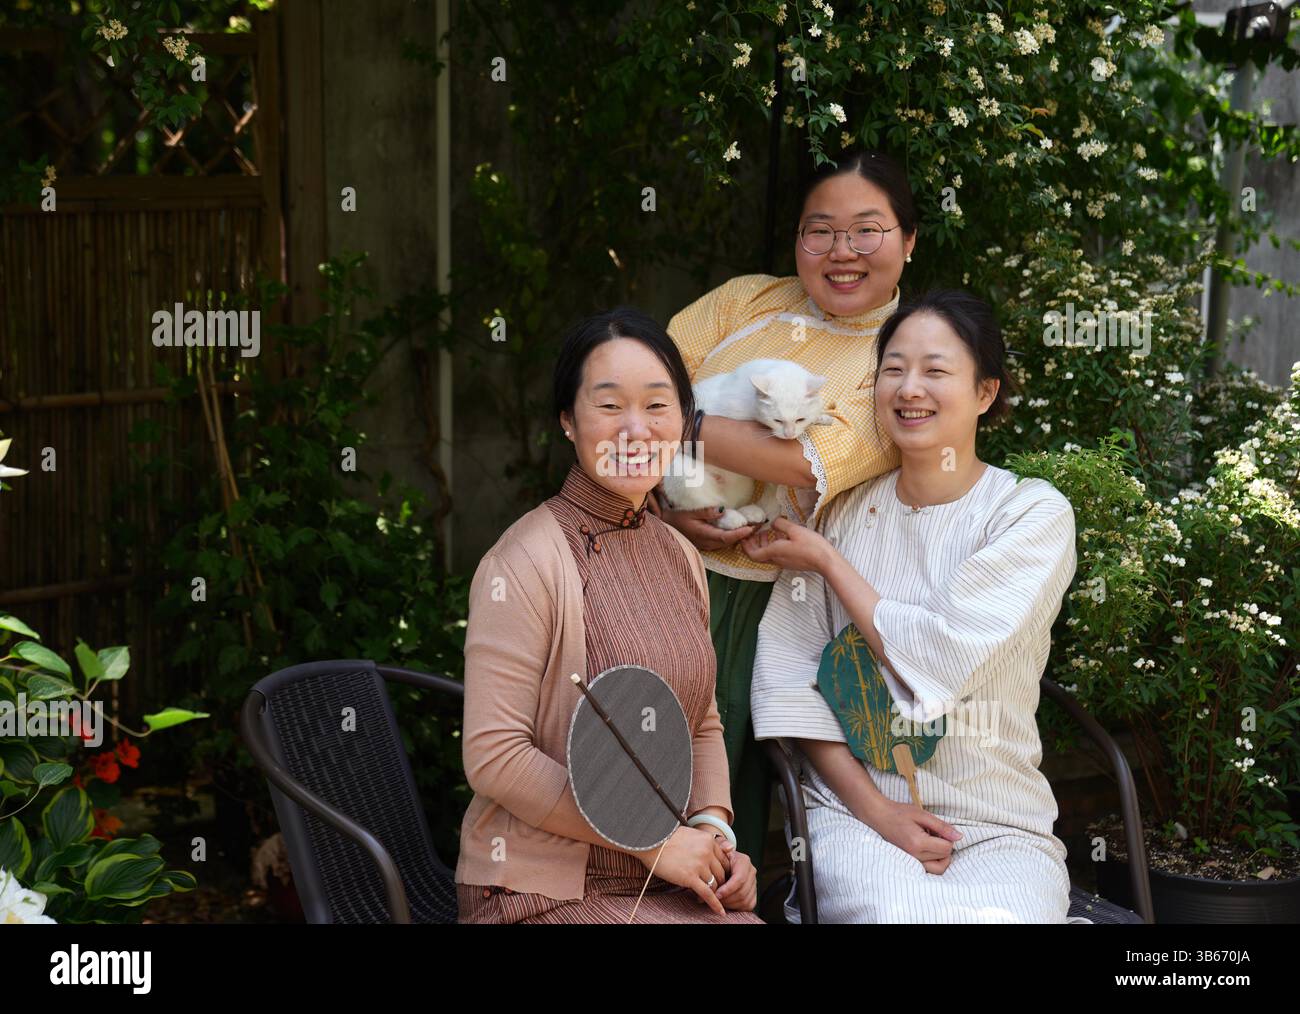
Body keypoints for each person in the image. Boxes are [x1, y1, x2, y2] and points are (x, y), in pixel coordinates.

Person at [745, 290, 1086, 923]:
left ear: (986, 392)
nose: (910, 388)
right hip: (858, 814)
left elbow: (939, 654)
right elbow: (793, 680)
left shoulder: (1030, 515)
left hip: (997, 818)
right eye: (894, 369)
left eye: (936, 369)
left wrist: (828, 562)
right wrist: (879, 812)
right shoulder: (840, 513)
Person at [455, 307, 762, 923]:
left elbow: (700, 719)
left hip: (669, 882)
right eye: (608, 406)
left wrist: (713, 835)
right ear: (568, 420)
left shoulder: (678, 552)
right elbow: (494, 753)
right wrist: (653, 841)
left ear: (682, 421)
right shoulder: (522, 562)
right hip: (538, 891)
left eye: (656, 406)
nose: (635, 429)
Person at [652, 149, 916, 865]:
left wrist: (684, 424)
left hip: (749, 598)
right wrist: (663, 506)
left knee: (705, 795)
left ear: (910, 241)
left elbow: (801, 462)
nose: (842, 252)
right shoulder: (747, 300)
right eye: (819, 230)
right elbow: (635, 387)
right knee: (603, 761)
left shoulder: (902, 358)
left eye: (868, 231)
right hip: (643, 554)